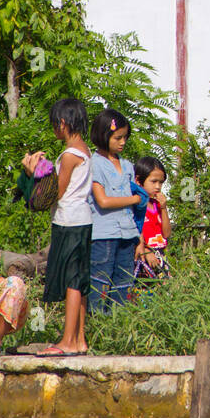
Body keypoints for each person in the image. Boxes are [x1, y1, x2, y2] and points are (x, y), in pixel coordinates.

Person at [21, 97, 92, 357]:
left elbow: (56, 192)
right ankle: (79, 339)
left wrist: (34, 173)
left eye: (54, 124)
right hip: (81, 219)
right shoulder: (83, 149)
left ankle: (67, 341)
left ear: (62, 123)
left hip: (69, 221)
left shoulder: (71, 155)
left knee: (72, 281)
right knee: (79, 280)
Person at [87, 109, 143, 312]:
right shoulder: (94, 163)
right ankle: (96, 326)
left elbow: (138, 210)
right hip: (103, 235)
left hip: (128, 233)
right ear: (103, 135)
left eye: (125, 137)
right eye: (118, 137)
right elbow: (102, 201)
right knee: (100, 282)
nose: (123, 142)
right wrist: (135, 199)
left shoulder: (127, 166)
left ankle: (117, 326)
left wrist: (139, 239)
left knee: (123, 283)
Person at [132, 155, 171, 287]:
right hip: (144, 254)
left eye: (160, 182)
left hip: (160, 254)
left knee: (164, 292)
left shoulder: (157, 205)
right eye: (153, 182)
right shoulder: (136, 204)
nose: (158, 186)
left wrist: (164, 208)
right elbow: (135, 229)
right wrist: (147, 251)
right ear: (138, 180)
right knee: (144, 292)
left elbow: (166, 234)